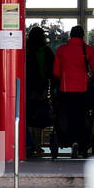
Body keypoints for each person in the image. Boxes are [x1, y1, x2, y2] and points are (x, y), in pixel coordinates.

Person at [53, 24, 94, 158]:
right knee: (83, 115)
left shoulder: (62, 50)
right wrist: (93, 79)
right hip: (83, 90)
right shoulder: (88, 50)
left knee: (67, 114)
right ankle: (82, 143)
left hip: (66, 90)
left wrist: (65, 78)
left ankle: (68, 139)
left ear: (70, 36)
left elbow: (56, 72)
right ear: (83, 36)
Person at [24, 26, 56, 158]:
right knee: (38, 118)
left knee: (27, 118)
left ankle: (28, 145)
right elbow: (52, 72)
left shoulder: (25, 50)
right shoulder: (46, 51)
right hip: (41, 89)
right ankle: (37, 146)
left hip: (26, 90)